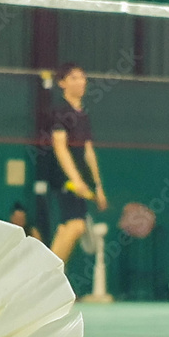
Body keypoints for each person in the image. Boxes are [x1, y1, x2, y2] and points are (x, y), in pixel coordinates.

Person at [47, 63, 108, 265]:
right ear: (62, 83)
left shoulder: (83, 115)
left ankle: (46, 278)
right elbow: (60, 147)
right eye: (74, 78)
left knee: (67, 227)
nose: (80, 81)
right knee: (76, 226)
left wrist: (97, 186)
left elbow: (89, 152)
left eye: (82, 77)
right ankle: (49, 276)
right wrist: (75, 180)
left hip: (81, 182)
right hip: (66, 179)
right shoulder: (60, 112)